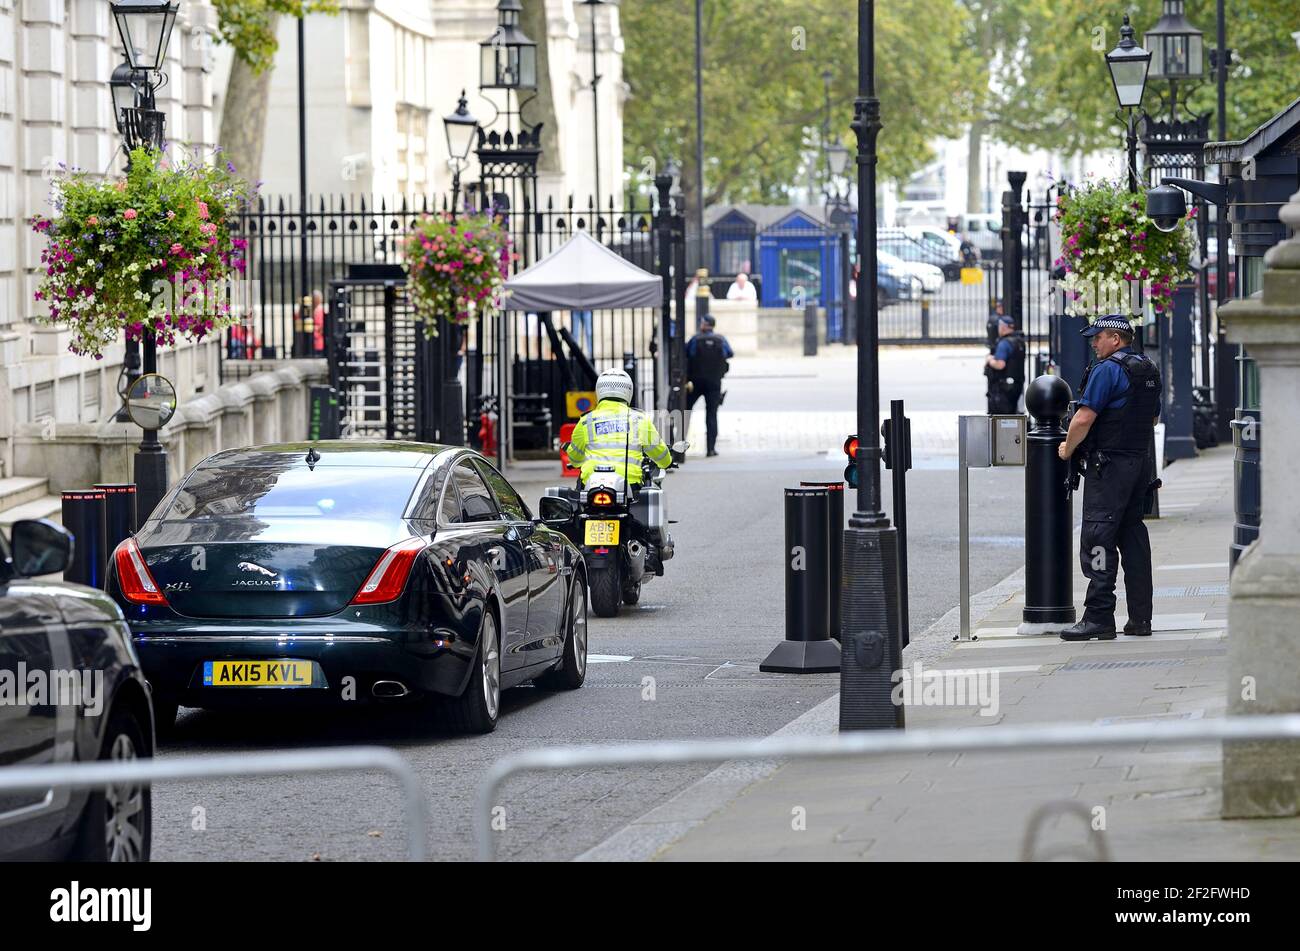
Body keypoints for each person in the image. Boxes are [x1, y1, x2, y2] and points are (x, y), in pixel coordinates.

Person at [1056, 314, 1162, 641]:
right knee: (1133, 537)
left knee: (1099, 535)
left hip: (1110, 466)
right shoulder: (1146, 368)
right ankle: (1140, 619)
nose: (1093, 343)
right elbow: (1153, 416)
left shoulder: (1108, 369)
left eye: (1098, 337)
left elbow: (1083, 418)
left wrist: (1067, 449)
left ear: (1115, 339)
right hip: (1139, 463)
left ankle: (1099, 616)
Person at [566, 367, 673, 487]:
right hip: (630, 483)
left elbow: (574, 459)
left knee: (579, 497)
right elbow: (660, 453)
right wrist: (667, 462)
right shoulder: (639, 420)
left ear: (598, 391)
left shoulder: (586, 421)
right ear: (628, 391)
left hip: (592, 484)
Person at [686, 314, 733, 457]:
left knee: (686, 411)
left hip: (696, 381)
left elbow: (688, 353)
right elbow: (730, 353)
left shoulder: (695, 339)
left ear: (705, 324)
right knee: (712, 414)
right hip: (714, 381)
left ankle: (679, 445)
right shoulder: (721, 339)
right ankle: (711, 449)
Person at [984, 313, 1025, 414]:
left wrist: (990, 360)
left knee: (1001, 419)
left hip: (1003, 389)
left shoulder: (1004, 343)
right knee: (1012, 415)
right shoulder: (1019, 342)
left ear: (1003, 327)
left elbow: (1000, 364)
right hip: (1016, 386)